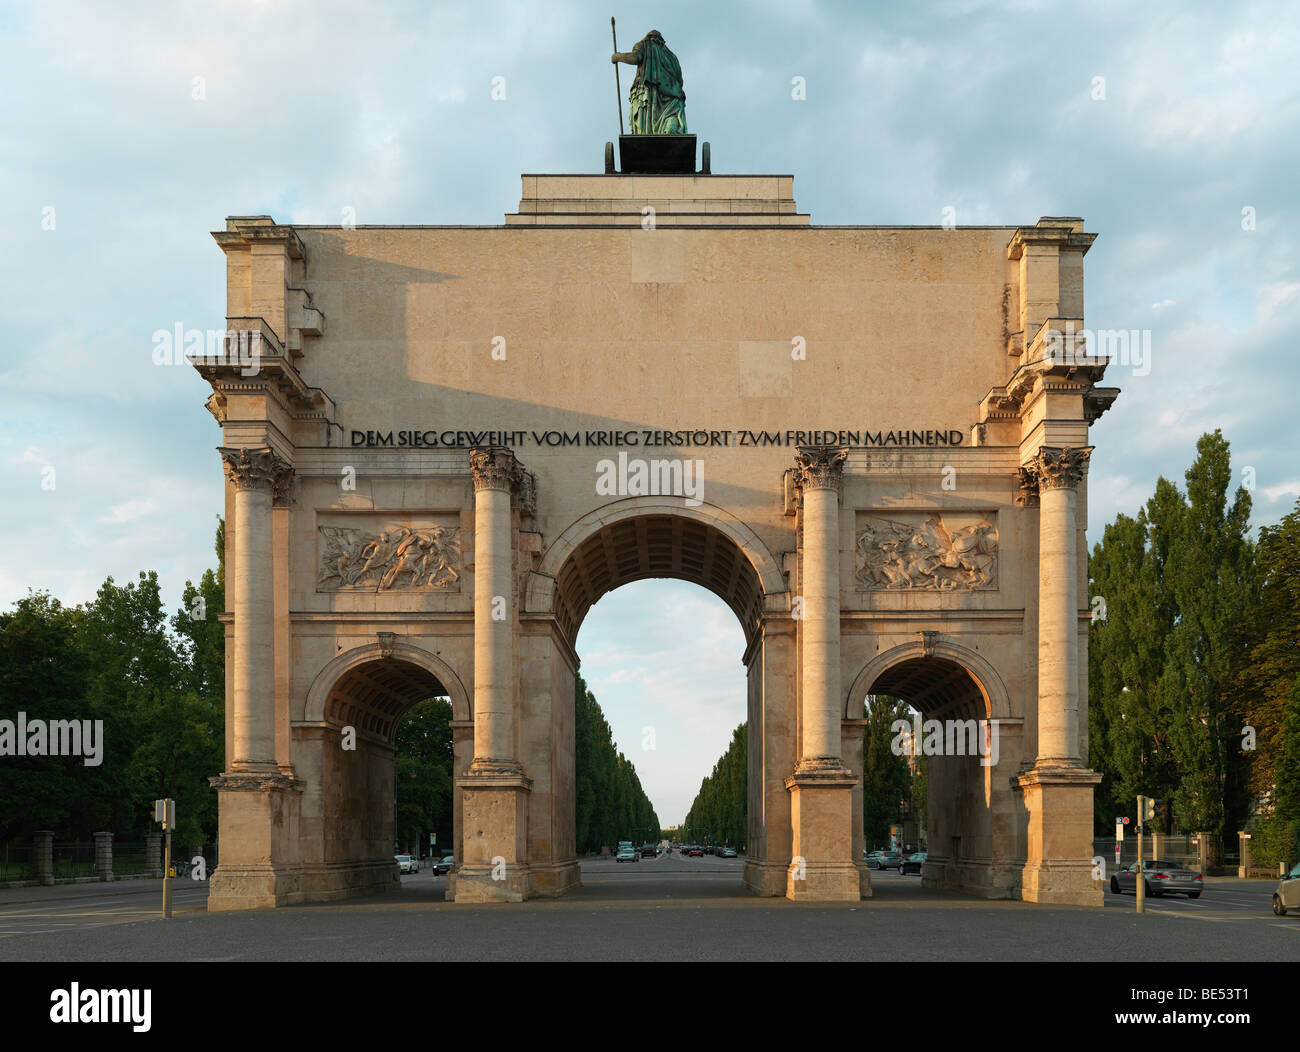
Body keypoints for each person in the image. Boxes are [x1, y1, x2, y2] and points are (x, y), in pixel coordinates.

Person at [611, 30, 686, 134]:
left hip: (649, 91)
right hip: (672, 95)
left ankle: (646, 134)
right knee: (670, 116)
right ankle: (670, 131)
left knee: (646, 121)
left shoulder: (643, 45)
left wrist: (617, 57)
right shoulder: (672, 56)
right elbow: (680, 79)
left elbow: (636, 57)